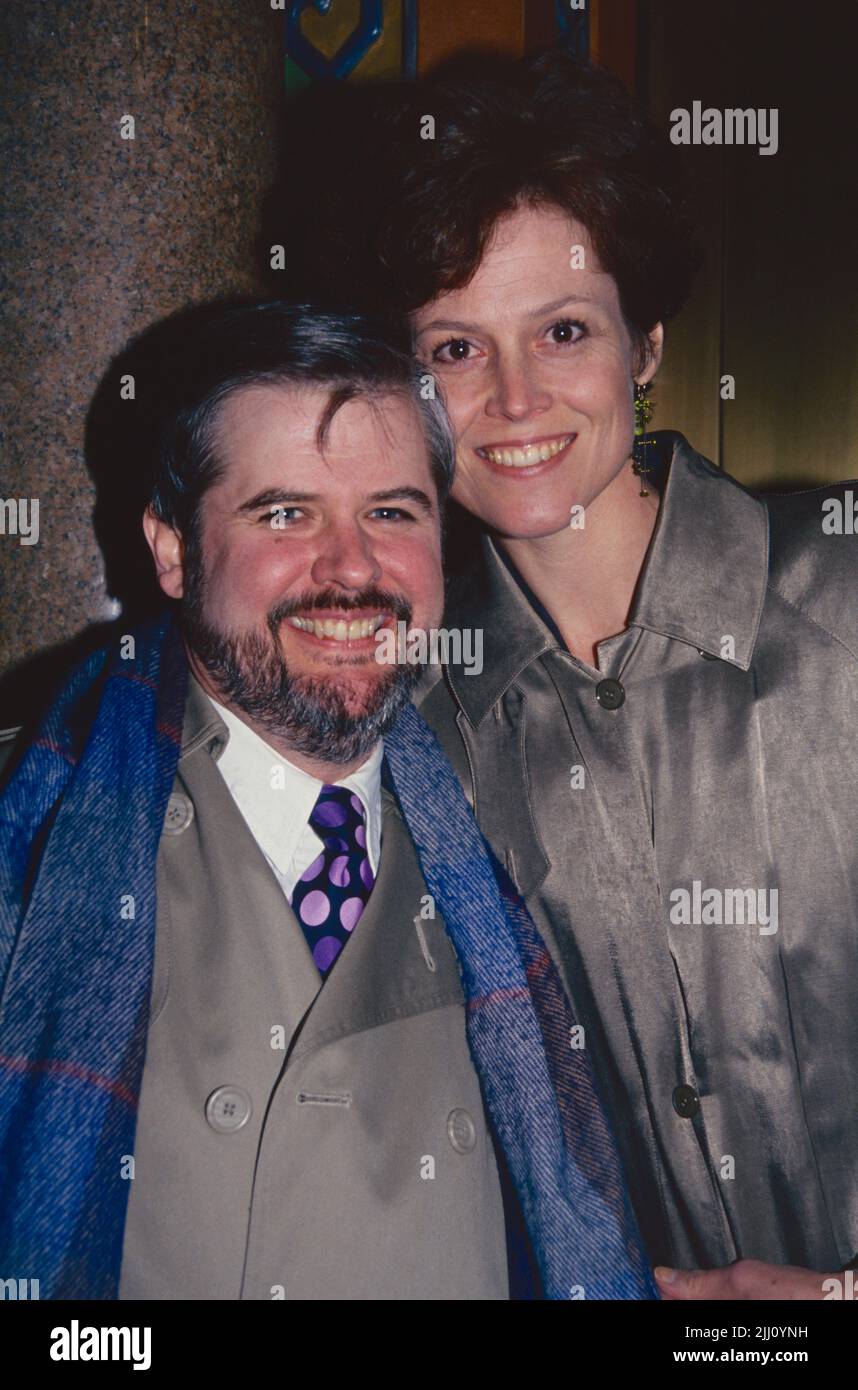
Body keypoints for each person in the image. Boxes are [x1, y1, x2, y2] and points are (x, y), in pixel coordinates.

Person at [0, 300, 656, 1301]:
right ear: (173, 549)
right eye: (286, 513)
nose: (352, 568)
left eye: (392, 512)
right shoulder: (27, 838)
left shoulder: (518, 826)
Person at [354, 51, 858, 1300]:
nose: (515, 398)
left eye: (564, 331)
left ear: (646, 344)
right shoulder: (409, 729)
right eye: (457, 347)